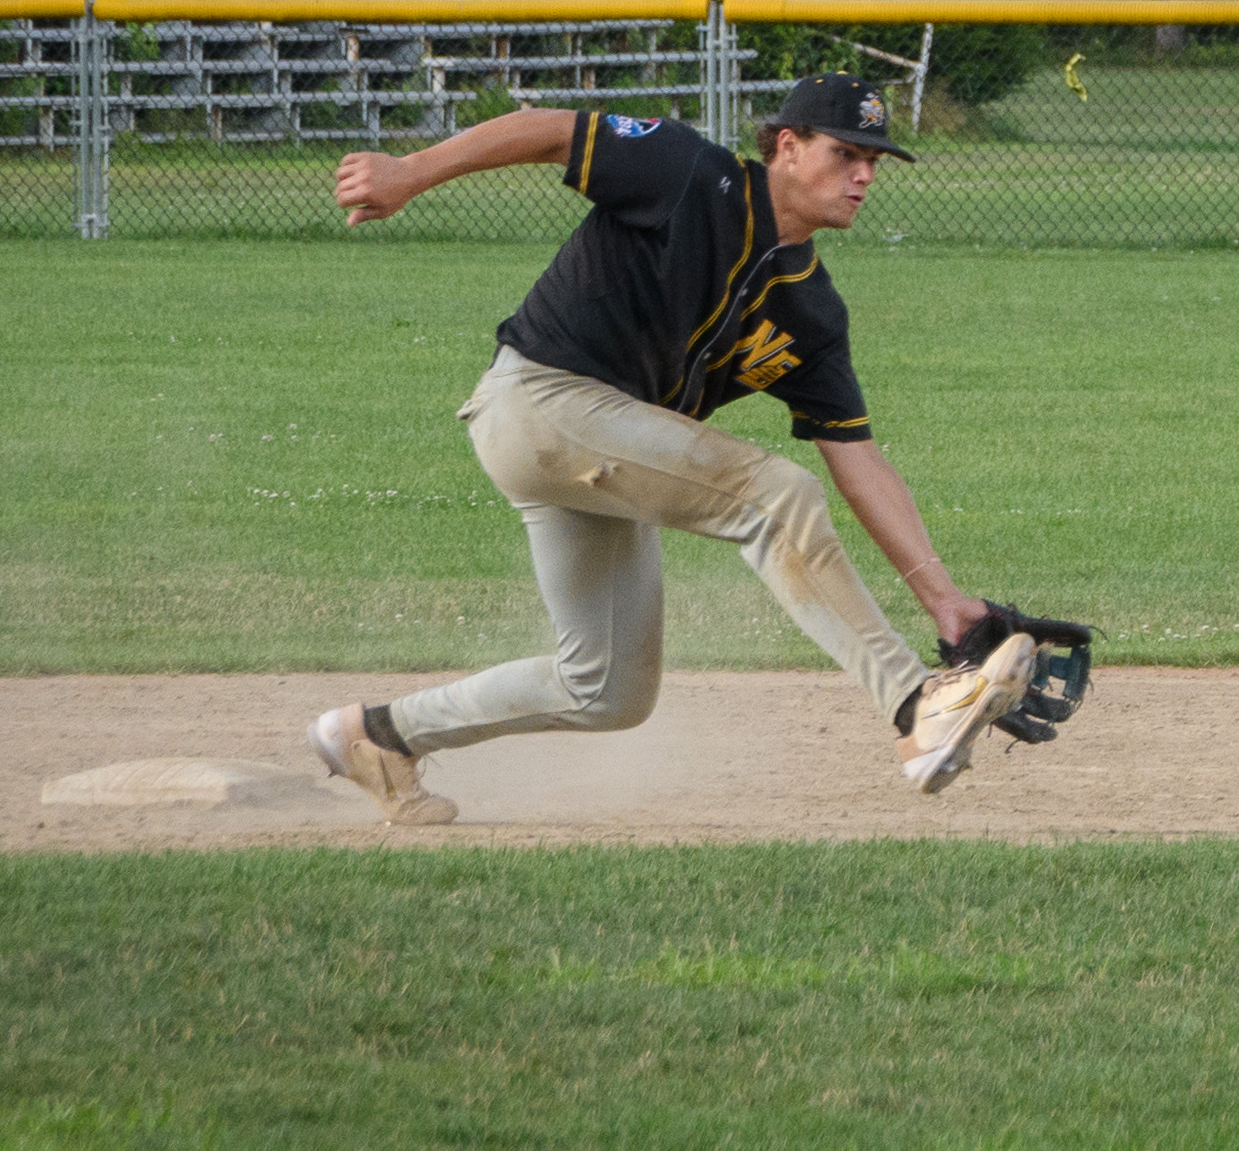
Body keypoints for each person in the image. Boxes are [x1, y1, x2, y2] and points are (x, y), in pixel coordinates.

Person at [305, 73, 1041, 826]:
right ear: (786, 147)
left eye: (875, 161)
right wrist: (412, 171)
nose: (863, 175)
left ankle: (378, 737)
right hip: (539, 400)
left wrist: (943, 601)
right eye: (846, 152)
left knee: (608, 690)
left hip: (596, 450)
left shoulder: (810, 311)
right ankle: (915, 707)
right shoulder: (690, 171)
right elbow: (552, 127)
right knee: (774, 496)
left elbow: (858, 459)